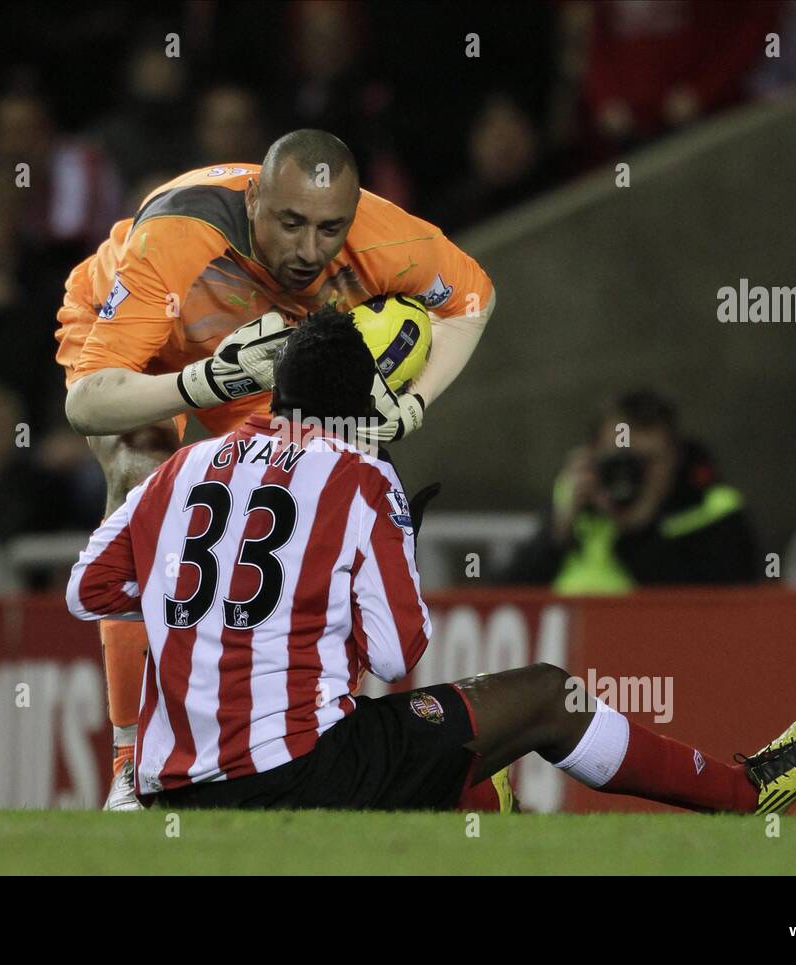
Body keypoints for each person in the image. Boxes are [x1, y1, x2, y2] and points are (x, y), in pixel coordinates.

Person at [66, 309, 796, 814]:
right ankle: (746, 791)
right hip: (297, 774)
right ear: (362, 399)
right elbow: (400, 654)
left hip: (173, 790)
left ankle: (476, 806)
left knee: (447, 760)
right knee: (547, 694)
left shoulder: (189, 464)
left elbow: (89, 588)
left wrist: (202, 599)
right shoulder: (359, 474)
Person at [54, 129, 496, 809]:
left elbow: (472, 302)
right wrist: (203, 382)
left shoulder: (386, 237)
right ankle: (127, 762)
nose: (311, 250)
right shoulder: (175, 240)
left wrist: (410, 408)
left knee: (334, 488)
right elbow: (88, 402)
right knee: (141, 465)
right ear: (256, 199)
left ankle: (319, 730)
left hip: (267, 350)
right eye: (291, 223)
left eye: (329, 228)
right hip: (154, 350)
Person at [498, 389, 758, 592]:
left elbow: (718, 614)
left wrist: (637, 532)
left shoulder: (712, 511)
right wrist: (556, 535)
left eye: (648, 462)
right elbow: (502, 603)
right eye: (620, 460)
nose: (632, 476)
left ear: (675, 458)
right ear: (593, 453)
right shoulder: (577, 502)